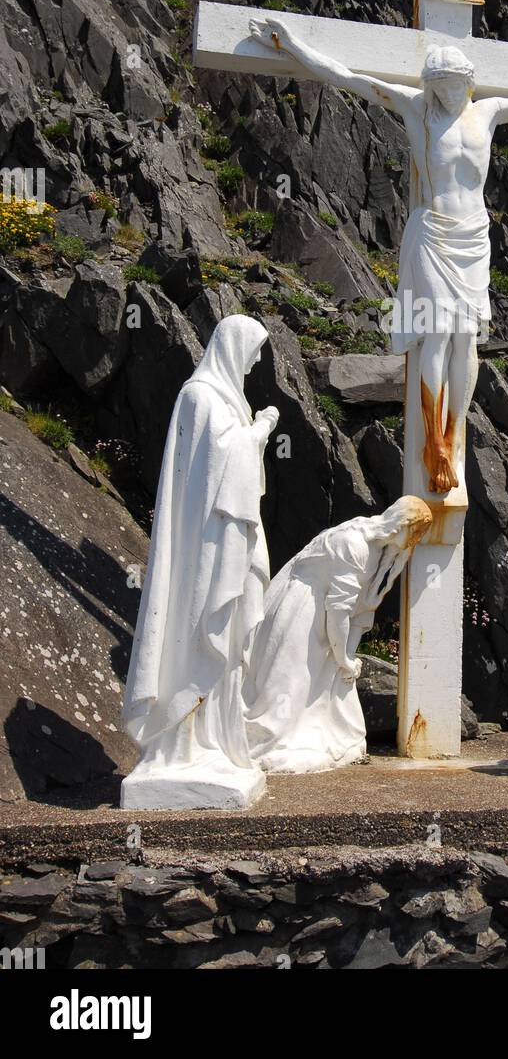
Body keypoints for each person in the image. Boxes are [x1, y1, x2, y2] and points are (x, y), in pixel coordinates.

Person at [249, 15, 508, 494]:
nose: (443, 92)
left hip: (473, 235)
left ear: (468, 82)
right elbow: (349, 77)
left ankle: (452, 432)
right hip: (432, 234)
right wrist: (293, 46)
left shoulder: (487, 113)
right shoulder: (415, 108)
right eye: (437, 84)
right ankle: (434, 443)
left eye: (451, 84)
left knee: (467, 340)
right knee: (437, 336)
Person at [121, 316, 279, 809]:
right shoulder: (201, 396)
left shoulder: (224, 398)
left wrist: (252, 429)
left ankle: (213, 743)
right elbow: (220, 471)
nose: (254, 363)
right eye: (252, 352)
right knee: (197, 636)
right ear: (232, 348)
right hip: (205, 551)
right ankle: (180, 744)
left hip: (229, 541)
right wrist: (261, 430)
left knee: (226, 645)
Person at [244, 497, 432, 774]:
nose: (416, 539)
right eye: (416, 531)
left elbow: (361, 610)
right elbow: (339, 610)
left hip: (329, 616)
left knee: (322, 686)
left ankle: (316, 732)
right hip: (303, 608)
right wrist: (343, 657)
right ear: (401, 523)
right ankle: (272, 741)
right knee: (290, 681)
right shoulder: (353, 542)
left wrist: (345, 660)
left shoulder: (382, 552)